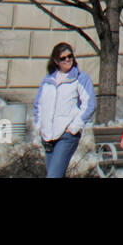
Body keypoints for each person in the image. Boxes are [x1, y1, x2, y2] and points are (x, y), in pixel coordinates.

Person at [33, 42, 96, 178]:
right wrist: (40, 127)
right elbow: (38, 105)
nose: (67, 60)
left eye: (70, 56)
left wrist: (74, 127)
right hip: (48, 137)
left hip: (66, 135)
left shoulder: (80, 78)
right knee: (53, 174)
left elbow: (89, 104)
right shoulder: (47, 80)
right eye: (63, 58)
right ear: (56, 61)